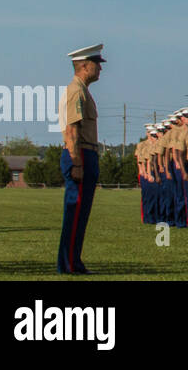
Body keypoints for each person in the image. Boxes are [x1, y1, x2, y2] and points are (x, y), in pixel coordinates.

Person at [57, 43, 104, 275]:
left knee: (80, 215)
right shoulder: (76, 90)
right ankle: (68, 265)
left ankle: (74, 262)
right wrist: (76, 162)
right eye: (97, 64)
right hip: (80, 154)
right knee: (75, 214)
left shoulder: (83, 90)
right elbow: (72, 130)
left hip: (86, 153)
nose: (100, 69)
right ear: (84, 66)